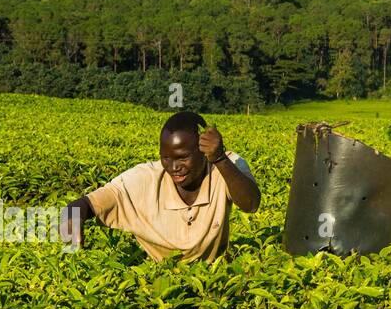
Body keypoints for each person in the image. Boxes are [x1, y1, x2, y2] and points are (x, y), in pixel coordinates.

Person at [60, 111, 260, 262]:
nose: (174, 167)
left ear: (203, 151)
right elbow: (88, 203)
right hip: (160, 281)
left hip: (215, 280)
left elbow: (250, 204)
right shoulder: (145, 179)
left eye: (183, 157)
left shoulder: (225, 166)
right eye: (166, 158)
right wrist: (72, 218)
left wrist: (220, 159)